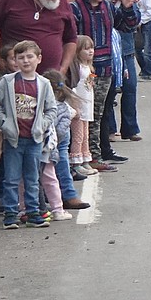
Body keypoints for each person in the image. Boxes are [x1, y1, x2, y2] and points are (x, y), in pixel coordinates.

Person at [71, 0, 138, 171]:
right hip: (85, 71)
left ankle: (99, 152)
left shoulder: (108, 7)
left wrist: (127, 8)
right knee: (89, 114)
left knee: (102, 113)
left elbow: (127, 26)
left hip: (107, 67)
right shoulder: (76, 9)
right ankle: (90, 155)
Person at [0, 40, 54, 229]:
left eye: (29, 57)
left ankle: (33, 211)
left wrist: (42, 125)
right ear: (15, 61)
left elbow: (51, 109)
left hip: (34, 139)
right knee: (11, 177)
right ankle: (11, 213)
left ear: (38, 59)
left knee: (32, 178)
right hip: (14, 139)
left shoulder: (44, 84)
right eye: (21, 58)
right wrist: (4, 123)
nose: (25, 61)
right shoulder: (8, 82)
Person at [42, 69, 88, 211]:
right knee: (57, 170)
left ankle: (67, 195)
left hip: (56, 140)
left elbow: (61, 129)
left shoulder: (58, 106)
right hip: (53, 139)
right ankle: (63, 195)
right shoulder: (61, 105)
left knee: (59, 168)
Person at [67, 36, 96, 178]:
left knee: (85, 135)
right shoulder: (76, 68)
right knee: (78, 136)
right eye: (86, 48)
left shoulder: (88, 66)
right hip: (78, 107)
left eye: (91, 48)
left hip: (87, 106)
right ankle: (76, 163)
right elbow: (73, 89)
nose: (90, 51)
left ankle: (85, 159)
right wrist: (74, 106)